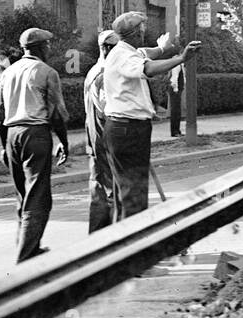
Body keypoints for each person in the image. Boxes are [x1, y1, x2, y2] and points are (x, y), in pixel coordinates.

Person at [102, 12, 200, 222]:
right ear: (136, 32)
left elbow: (147, 53)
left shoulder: (127, 50)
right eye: (143, 28)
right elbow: (148, 68)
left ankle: (122, 243)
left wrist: (163, 48)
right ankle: (132, 246)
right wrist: (180, 58)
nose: (145, 30)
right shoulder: (124, 56)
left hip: (125, 128)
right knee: (134, 194)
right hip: (128, 129)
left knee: (127, 192)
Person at [0, 27, 70, 262]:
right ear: (40, 47)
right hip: (36, 133)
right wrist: (64, 142)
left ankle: (29, 245)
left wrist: (2, 145)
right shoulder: (47, 72)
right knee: (38, 195)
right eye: (47, 44)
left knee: (22, 194)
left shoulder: (9, 72)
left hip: (12, 135)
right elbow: (57, 112)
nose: (49, 48)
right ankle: (25, 256)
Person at [84, 29, 119, 233]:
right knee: (111, 193)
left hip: (94, 139)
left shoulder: (93, 71)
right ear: (106, 49)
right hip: (105, 140)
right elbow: (110, 111)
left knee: (99, 191)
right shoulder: (105, 75)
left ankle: (97, 241)